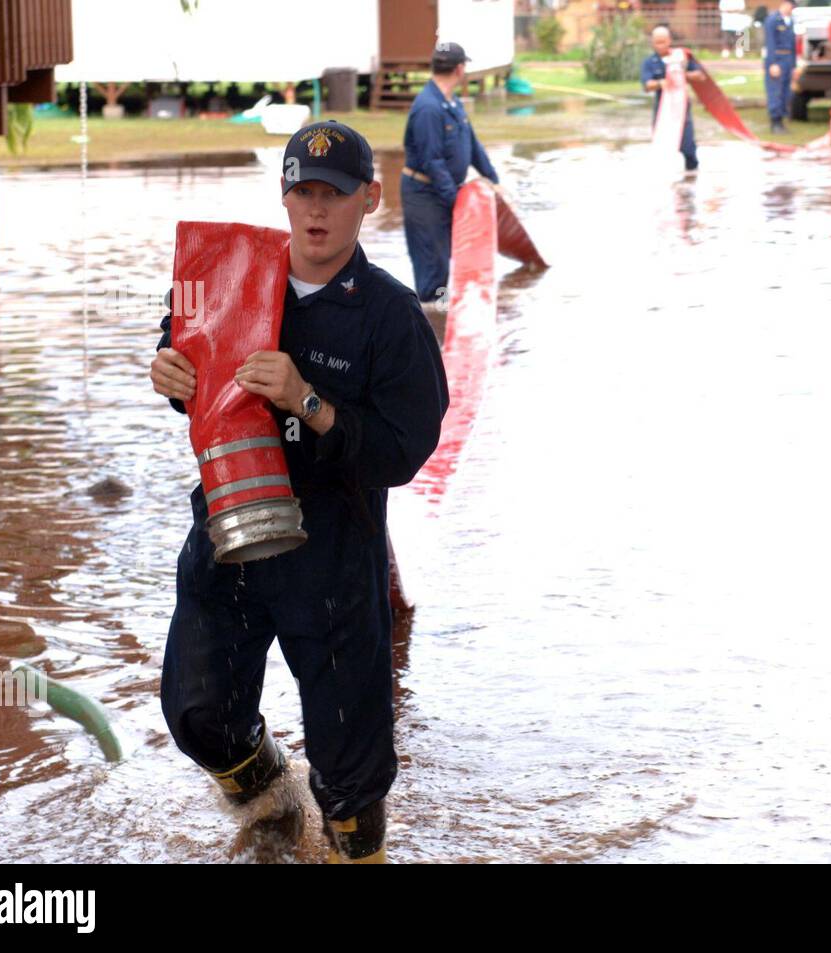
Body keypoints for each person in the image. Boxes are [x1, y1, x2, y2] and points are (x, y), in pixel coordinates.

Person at [150, 119, 451, 864]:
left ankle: (346, 839)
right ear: (284, 198)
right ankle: (276, 808)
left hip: (334, 547)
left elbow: (405, 452)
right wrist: (168, 370)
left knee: (351, 786)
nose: (317, 211)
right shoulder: (226, 275)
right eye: (303, 193)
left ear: (369, 200)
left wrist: (309, 401)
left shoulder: (390, 315)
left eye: (335, 195)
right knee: (196, 714)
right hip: (230, 524)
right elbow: (178, 340)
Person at [402, 41, 500, 311]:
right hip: (424, 195)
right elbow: (431, 161)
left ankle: (442, 320)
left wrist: (493, 180)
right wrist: (456, 200)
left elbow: (472, 144)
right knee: (433, 265)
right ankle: (431, 324)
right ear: (459, 69)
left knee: (443, 260)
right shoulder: (428, 108)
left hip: (442, 193)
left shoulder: (451, 101)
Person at [641, 24, 707, 170]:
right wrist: (661, 83)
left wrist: (682, 74)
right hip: (662, 109)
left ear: (669, 40)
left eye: (663, 41)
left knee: (688, 148)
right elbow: (647, 85)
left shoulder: (681, 57)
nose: (660, 46)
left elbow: (700, 76)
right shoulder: (649, 62)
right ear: (652, 42)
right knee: (663, 143)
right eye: (657, 42)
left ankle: (691, 177)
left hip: (682, 108)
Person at [764, 0, 797, 133]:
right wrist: (772, 63)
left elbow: (793, 45)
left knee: (785, 91)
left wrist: (793, 65)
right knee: (775, 90)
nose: (792, 9)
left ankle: (781, 120)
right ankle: (775, 121)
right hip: (777, 58)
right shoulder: (772, 20)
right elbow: (770, 43)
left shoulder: (789, 22)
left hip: (788, 59)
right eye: (792, 6)